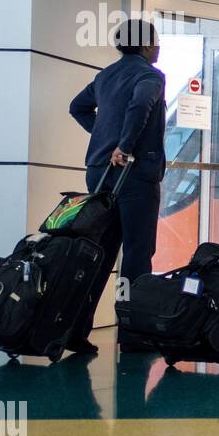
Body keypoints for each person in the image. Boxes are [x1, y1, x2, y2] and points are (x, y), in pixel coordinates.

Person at [67, 19, 166, 354]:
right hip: (134, 175)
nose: (158, 46)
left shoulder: (105, 75)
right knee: (137, 253)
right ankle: (132, 331)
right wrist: (123, 145)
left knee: (99, 253)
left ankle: (76, 328)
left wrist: (103, 137)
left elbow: (77, 107)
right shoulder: (150, 76)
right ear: (146, 45)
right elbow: (141, 105)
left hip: (98, 172)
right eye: (155, 40)